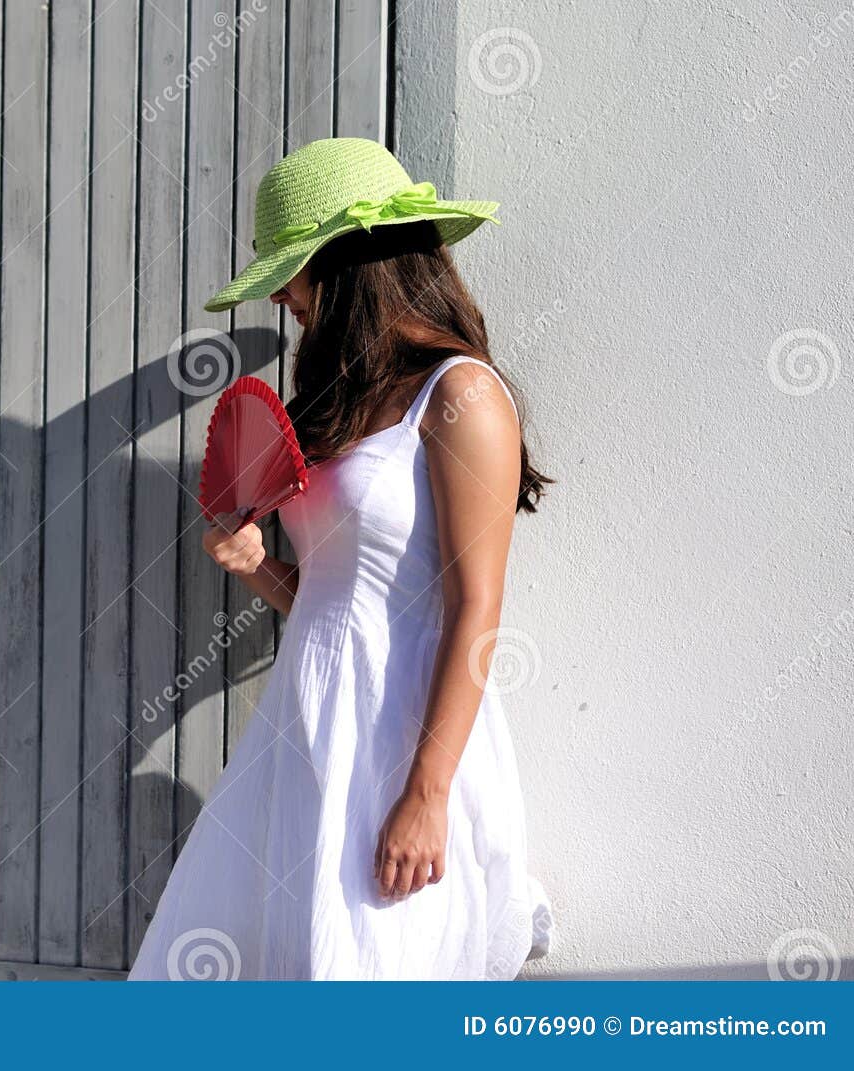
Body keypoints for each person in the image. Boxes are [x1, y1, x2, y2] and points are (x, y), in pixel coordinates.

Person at [129, 138, 552, 981]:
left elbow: (476, 607)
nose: (279, 294)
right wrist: (253, 561)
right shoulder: (338, 401)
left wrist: (427, 792)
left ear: (348, 260)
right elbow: (336, 597)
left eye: (289, 270)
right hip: (303, 727)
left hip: (405, 740)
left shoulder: (460, 394)